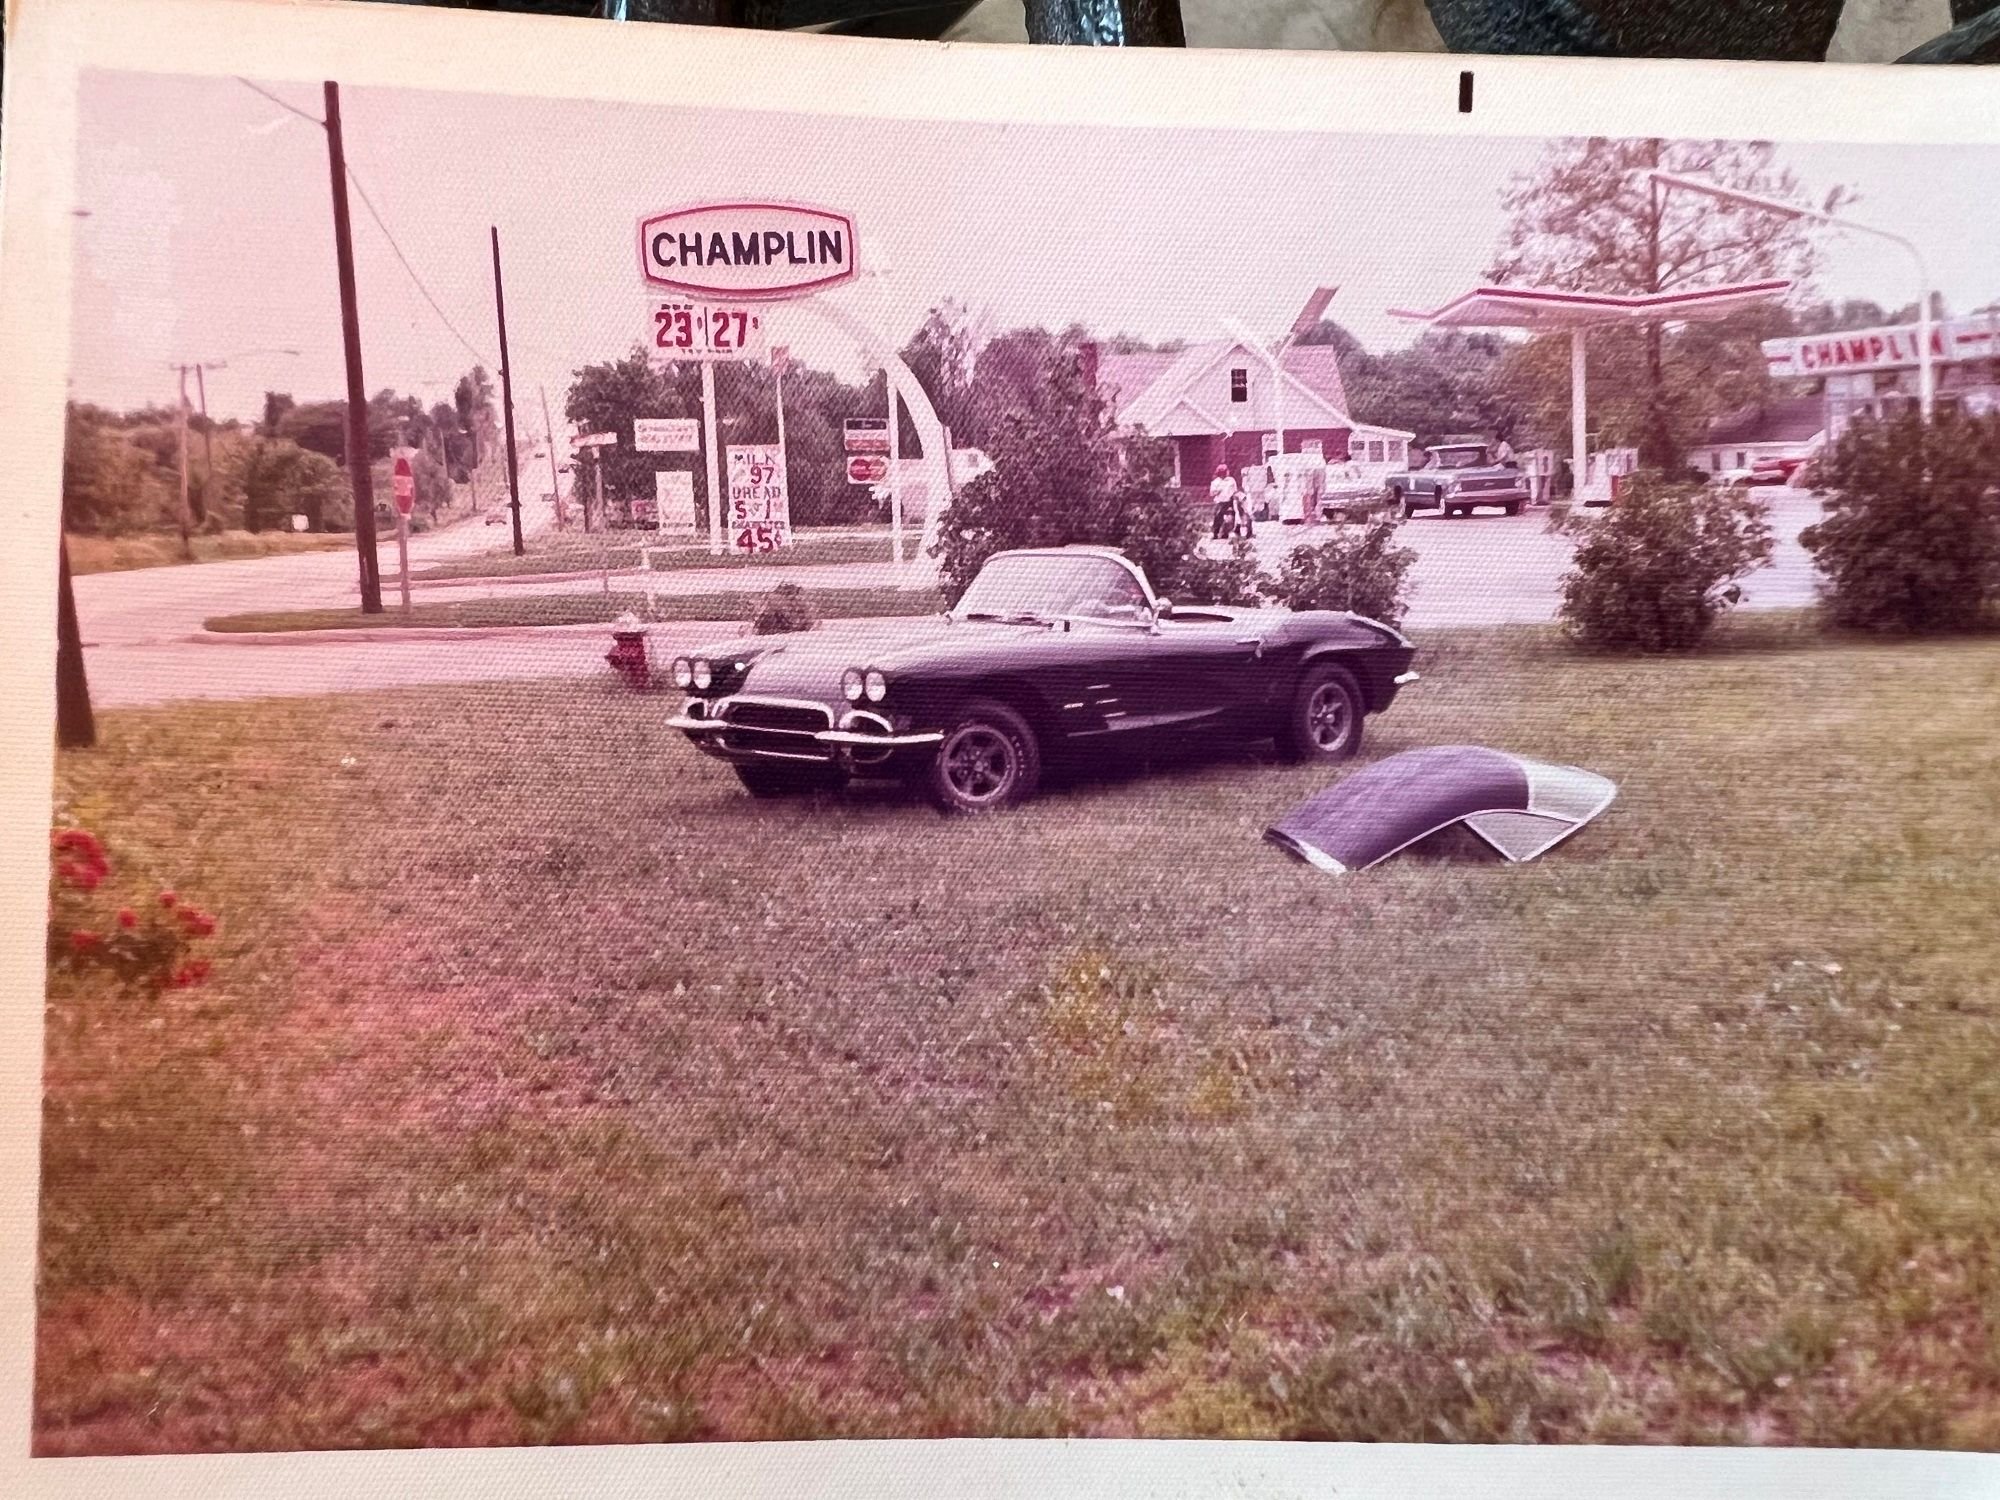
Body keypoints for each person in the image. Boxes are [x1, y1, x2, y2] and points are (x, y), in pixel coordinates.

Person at [1209, 464, 1247, 540]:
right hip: (1220, 502)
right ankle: (1215, 532)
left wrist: (1238, 497)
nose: (1228, 472)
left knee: (1236, 513)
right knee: (1218, 516)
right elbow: (1211, 493)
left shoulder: (1231, 480)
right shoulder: (1215, 482)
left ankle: (1234, 531)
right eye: (1226, 471)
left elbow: (1235, 491)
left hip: (1230, 501)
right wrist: (1217, 491)